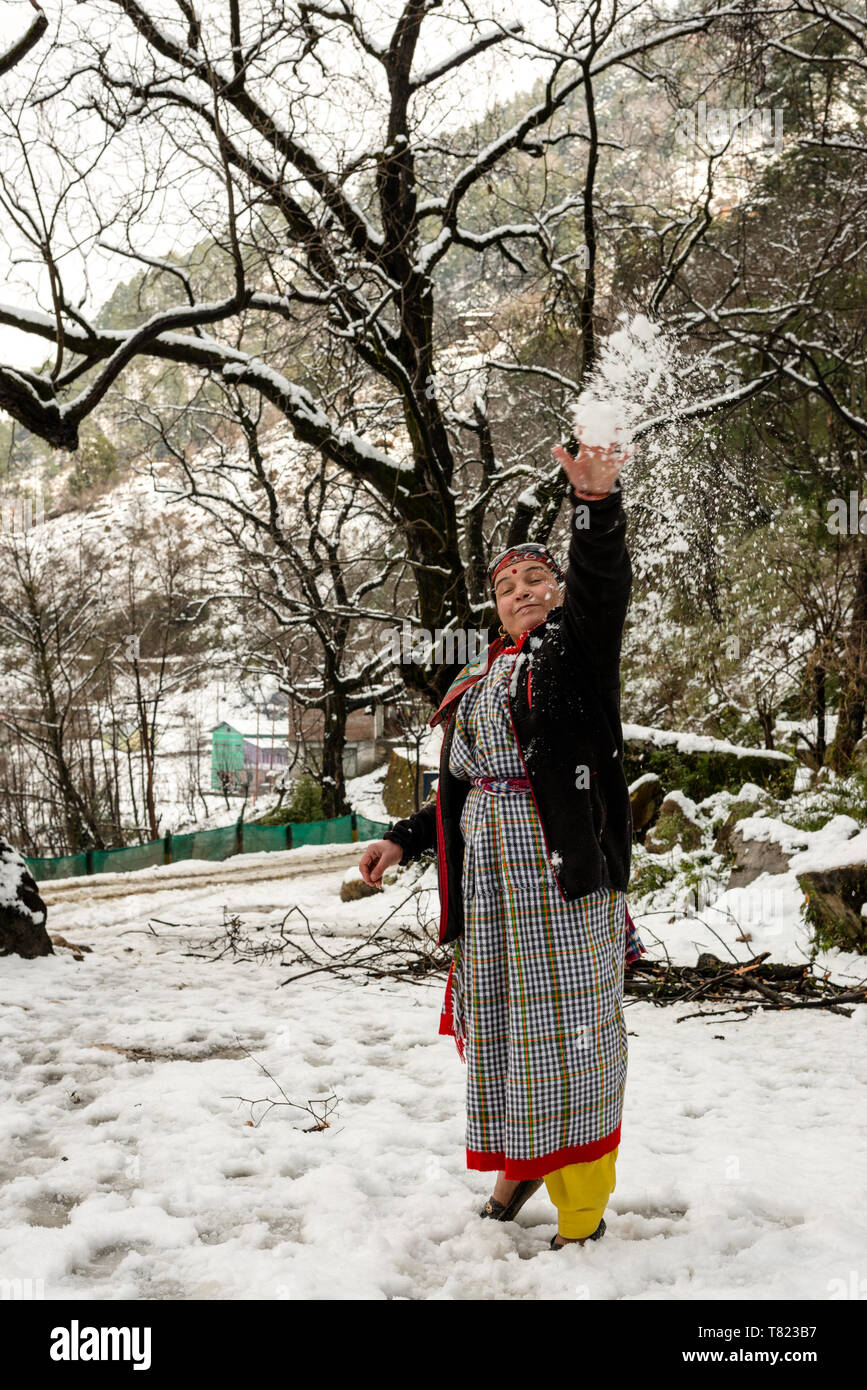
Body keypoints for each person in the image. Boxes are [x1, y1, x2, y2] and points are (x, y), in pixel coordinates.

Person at [359, 431, 646, 1251]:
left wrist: (594, 503)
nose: (522, 591)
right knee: (506, 1034)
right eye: (508, 586)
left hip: (562, 884)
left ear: (558, 590)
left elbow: (603, 582)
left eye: (536, 580)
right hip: (489, 894)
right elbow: (462, 786)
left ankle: (581, 1207)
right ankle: (520, 1170)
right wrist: (403, 839)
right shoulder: (476, 678)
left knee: (573, 1041)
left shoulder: (575, 653)